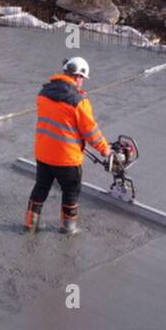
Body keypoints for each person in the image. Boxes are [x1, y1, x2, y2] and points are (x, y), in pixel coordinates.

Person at [25, 56, 113, 236]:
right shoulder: (79, 101)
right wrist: (106, 150)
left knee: (41, 187)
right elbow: (90, 132)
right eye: (82, 79)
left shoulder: (43, 93)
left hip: (43, 154)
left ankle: (30, 222)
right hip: (67, 159)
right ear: (78, 77)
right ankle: (68, 227)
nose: (82, 83)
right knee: (71, 191)